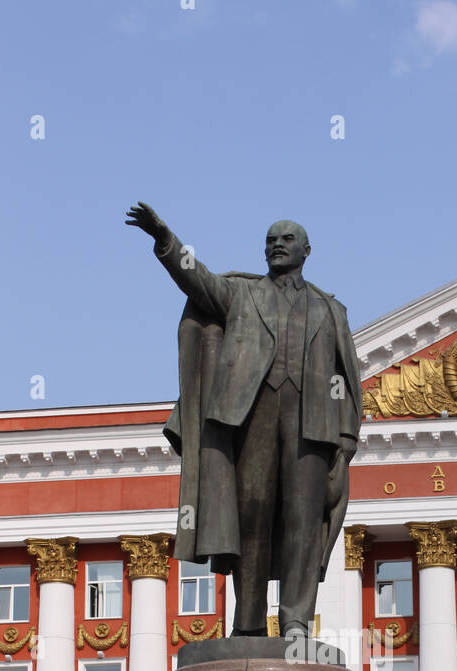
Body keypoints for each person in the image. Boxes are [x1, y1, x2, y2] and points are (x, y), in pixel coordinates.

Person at [127, 203, 362, 637]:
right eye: (270, 240)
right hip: (252, 417)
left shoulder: (331, 311)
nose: (276, 245)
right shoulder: (242, 295)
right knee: (251, 517)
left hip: (313, 427)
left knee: (303, 523)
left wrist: (345, 438)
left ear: (307, 251)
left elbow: (344, 377)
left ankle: (295, 622)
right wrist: (165, 239)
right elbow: (198, 281)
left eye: (286, 239)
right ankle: (250, 622)